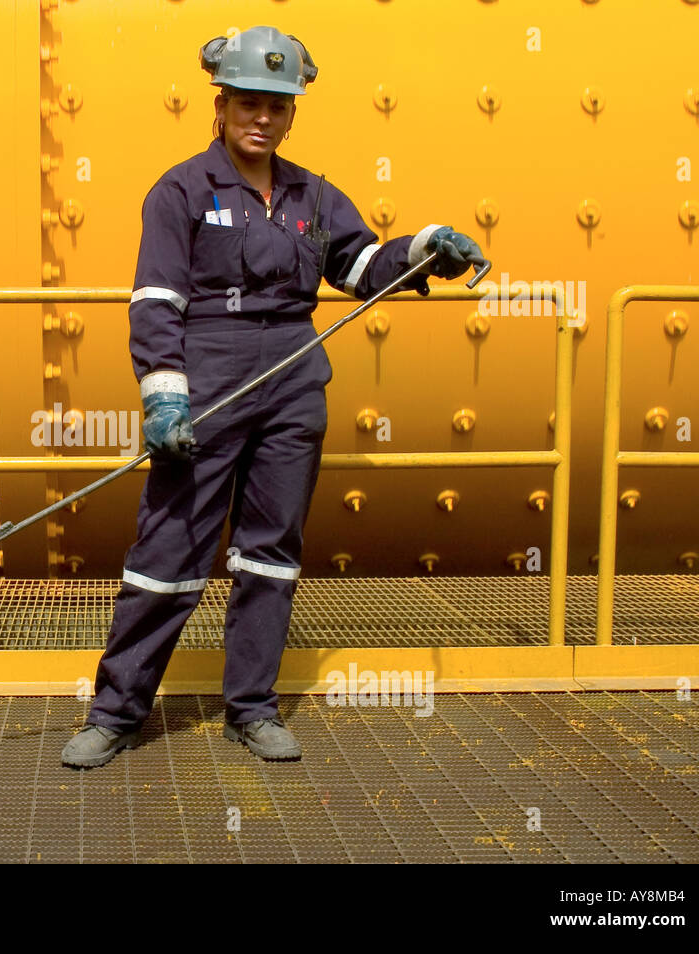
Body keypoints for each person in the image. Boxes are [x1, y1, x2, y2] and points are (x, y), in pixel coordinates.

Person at [61, 26, 485, 768]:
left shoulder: (312, 194)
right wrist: (164, 398)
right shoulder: (182, 191)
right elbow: (156, 300)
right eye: (248, 103)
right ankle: (117, 712)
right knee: (167, 554)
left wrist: (424, 249)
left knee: (270, 556)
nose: (262, 118)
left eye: (277, 108)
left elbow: (358, 267)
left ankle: (251, 710)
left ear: (292, 115)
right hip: (211, 385)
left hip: (292, 385)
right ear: (220, 106)